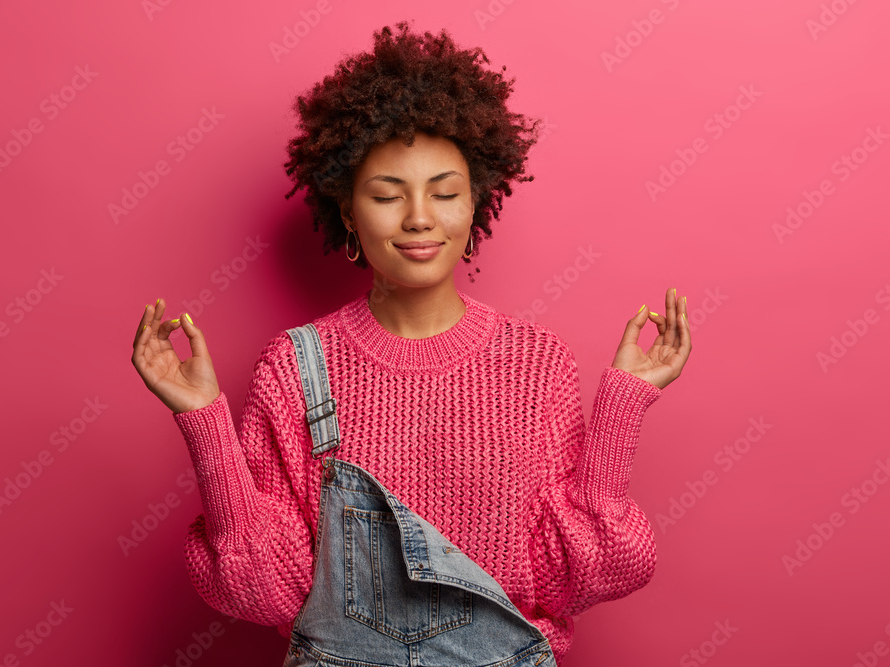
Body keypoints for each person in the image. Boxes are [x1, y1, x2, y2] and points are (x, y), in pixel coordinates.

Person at [131, 20, 691, 665]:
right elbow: (265, 590)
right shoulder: (297, 364)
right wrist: (203, 421)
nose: (420, 217)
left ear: (476, 205)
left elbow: (585, 573)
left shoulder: (535, 361)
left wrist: (625, 406)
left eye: (445, 193)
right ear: (348, 211)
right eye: (387, 195)